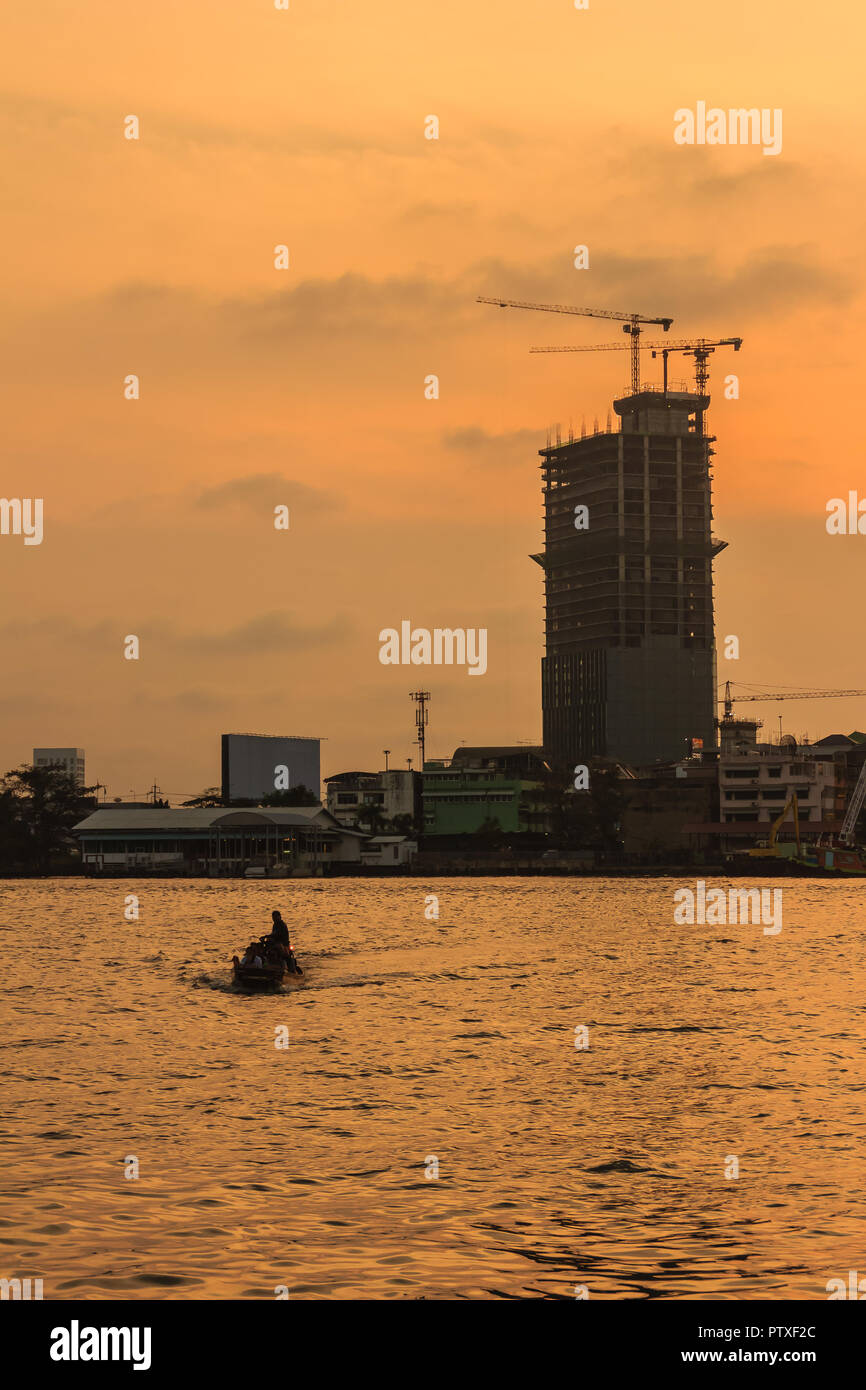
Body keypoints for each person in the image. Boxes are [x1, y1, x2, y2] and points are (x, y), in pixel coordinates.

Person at [268, 909, 303, 975]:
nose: (274, 918)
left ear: (279, 917)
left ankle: (290, 969)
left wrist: (270, 936)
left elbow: (277, 933)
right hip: (276, 943)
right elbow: (274, 934)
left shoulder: (282, 925)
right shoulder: (275, 924)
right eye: (273, 917)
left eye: (276, 917)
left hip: (283, 944)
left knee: (283, 953)